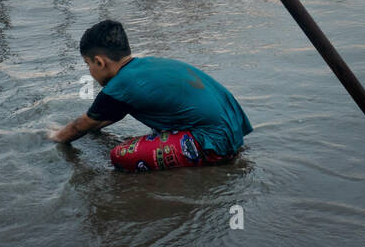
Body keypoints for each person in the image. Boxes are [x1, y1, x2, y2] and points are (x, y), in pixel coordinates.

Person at [48, 20, 252, 171]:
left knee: (121, 155)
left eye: (88, 64)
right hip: (232, 131)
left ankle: (207, 162)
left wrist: (55, 137)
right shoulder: (147, 66)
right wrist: (92, 128)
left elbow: (80, 125)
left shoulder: (120, 85)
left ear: (100, 62)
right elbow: (107, 116)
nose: (90, 71)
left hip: (215, 143)